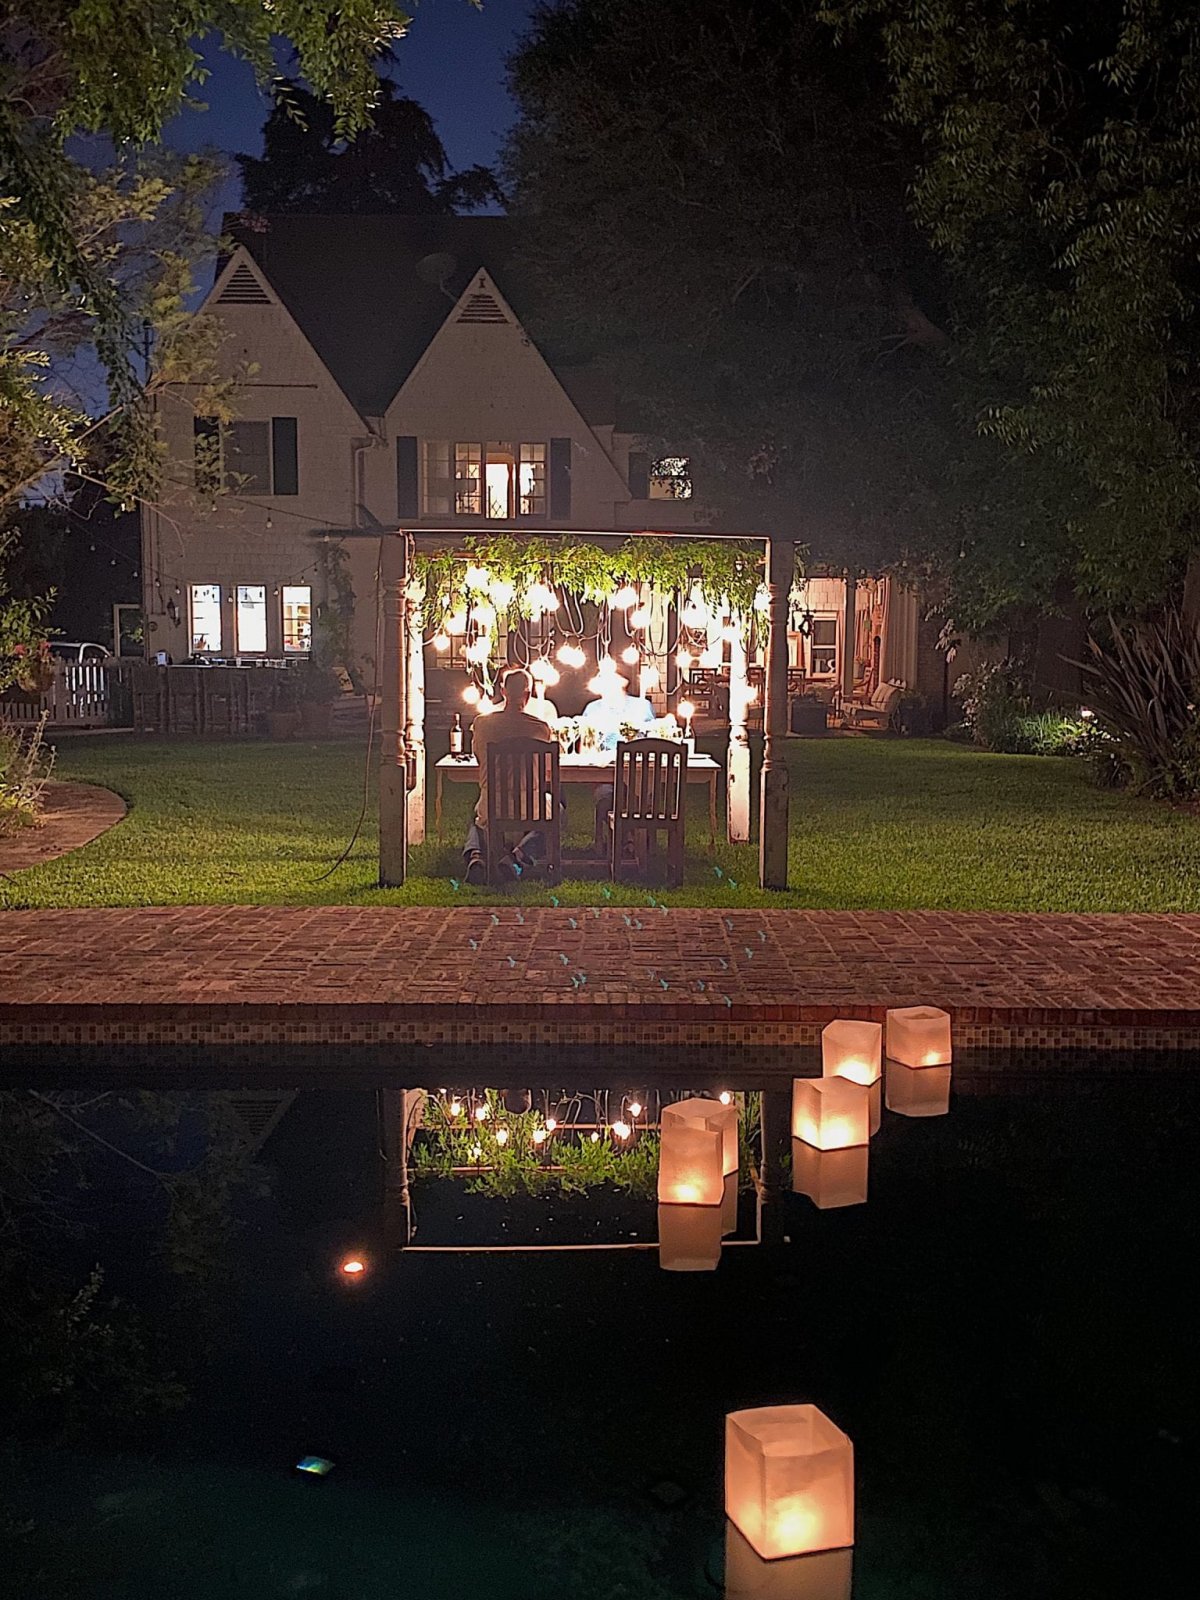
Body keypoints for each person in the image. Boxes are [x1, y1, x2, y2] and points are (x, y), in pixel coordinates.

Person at [463, 667, 556, 884]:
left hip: (493, 804)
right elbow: (547, 771)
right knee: (556, 814)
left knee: (478, 814)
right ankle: (518, 857)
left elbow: (479, 758)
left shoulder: (482, 724)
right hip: (531, 806)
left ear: (503, 691)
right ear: (528, 694)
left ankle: (476, 856)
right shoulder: (541, 728)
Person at [580, 674, 656, 848]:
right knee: (611, 795)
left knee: (632, 795)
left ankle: (626, 839)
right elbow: (585, 745)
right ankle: (629, 839)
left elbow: (653, 737)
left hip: (640, 776)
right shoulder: (593, 709)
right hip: (606, 776)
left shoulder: (641, 706)